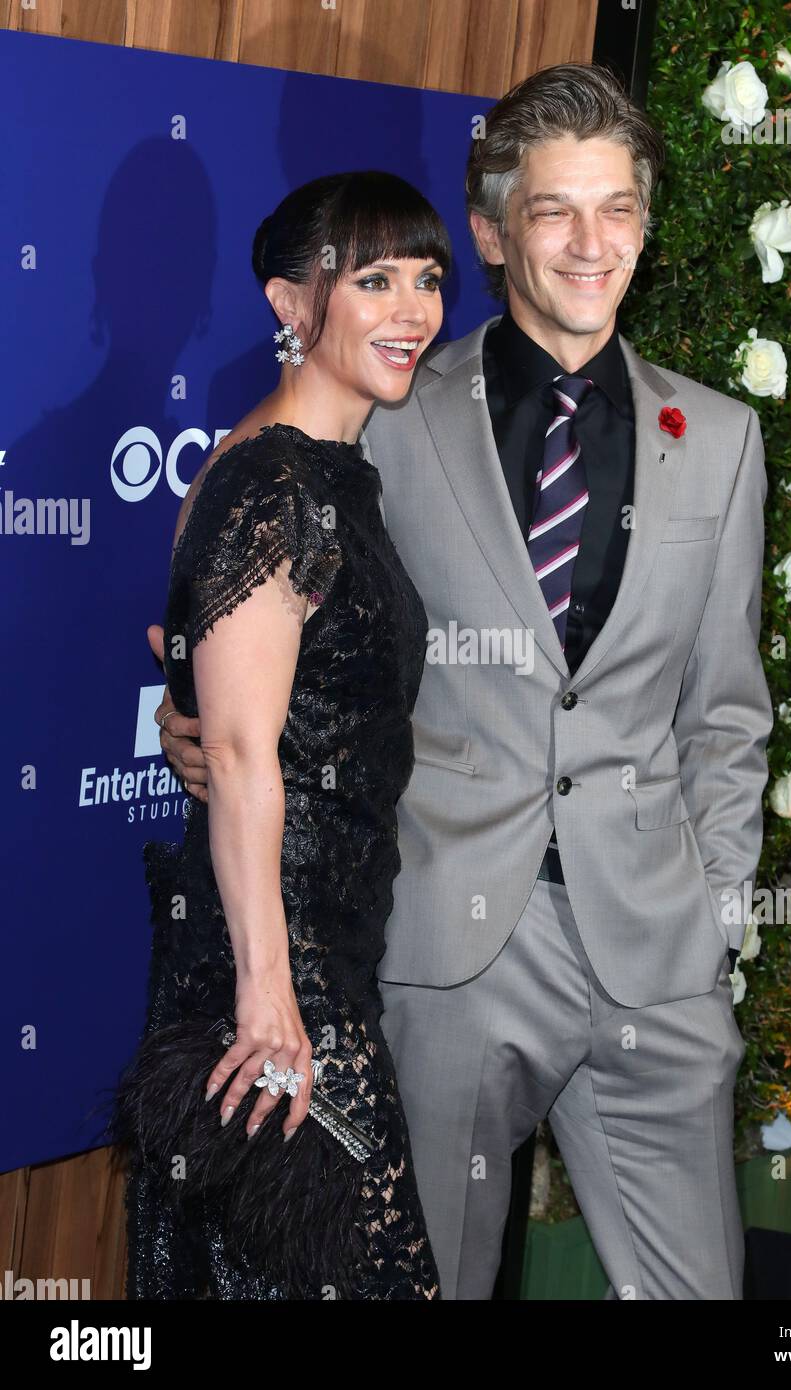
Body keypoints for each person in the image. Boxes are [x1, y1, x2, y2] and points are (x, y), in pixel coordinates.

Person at [157, 63, 774, 1301]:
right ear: (494, 233)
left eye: (618, 209)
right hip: (446, 956)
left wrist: (710, 913)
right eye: (554, 211)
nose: (590, 243)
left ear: (645, 229)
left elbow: (724, 714)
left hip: (654, 957)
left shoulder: (716, 440)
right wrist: (200, 727)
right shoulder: (386, 405)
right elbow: (238, 621)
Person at [111, 170, 448, 1300]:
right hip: (280, 986)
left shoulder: (323, 474)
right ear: (288, 304)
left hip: (320, 961)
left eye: (426, 279)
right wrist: (268, 999)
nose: (410, 309)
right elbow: (246, 751)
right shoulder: (277, 485)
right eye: (372, 280)